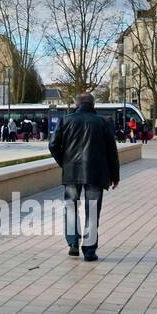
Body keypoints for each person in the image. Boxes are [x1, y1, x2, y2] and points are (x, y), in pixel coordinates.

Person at [49, 93, 120, 262]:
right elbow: (112, 151)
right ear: (93, 105)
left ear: (76, 104)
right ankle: (89, 250)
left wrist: (65, 162)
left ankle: (73, 242)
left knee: (71, 207)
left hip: (72, 172)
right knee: (93, 211)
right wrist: (114, 175)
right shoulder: (102, 122)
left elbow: (53, 145)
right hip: (96, 173)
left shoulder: (66, 120)